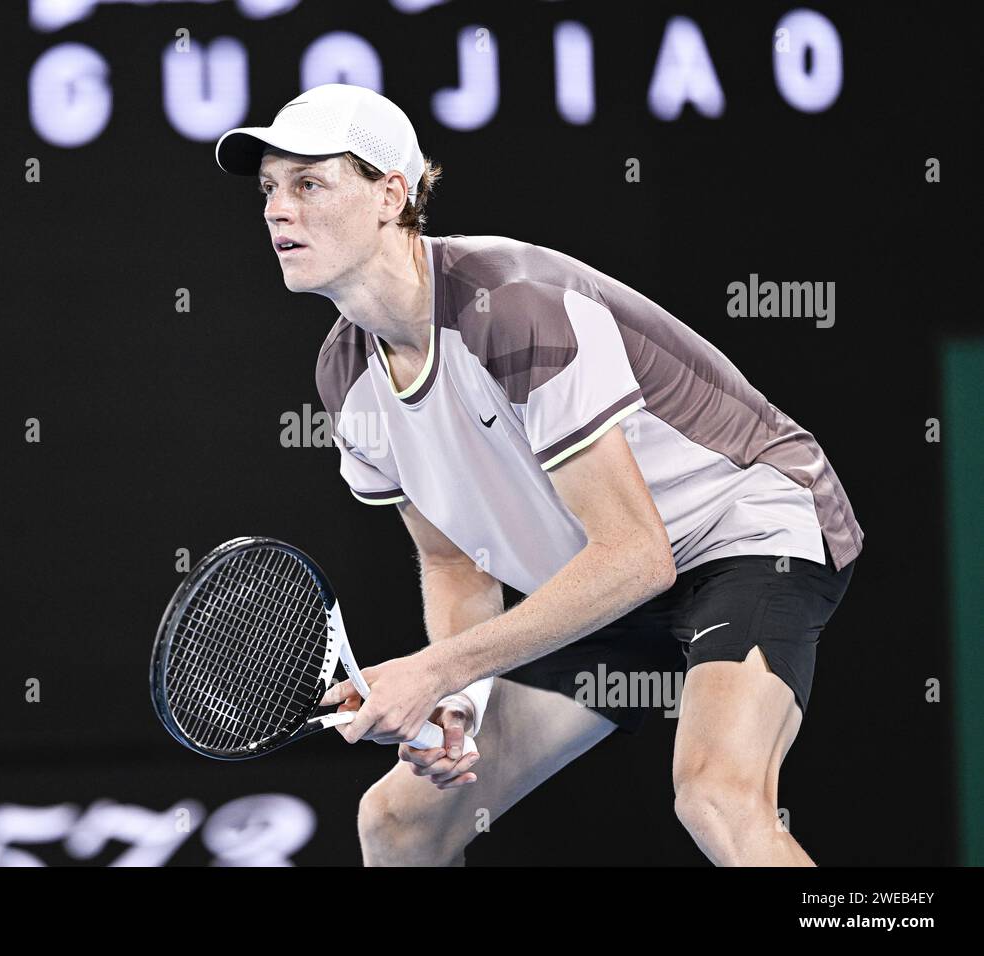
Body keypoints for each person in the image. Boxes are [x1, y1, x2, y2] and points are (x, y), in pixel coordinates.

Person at [215, 84, 862, 866]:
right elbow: (453, 560)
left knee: (717, 795)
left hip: (744, 532)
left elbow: (639, 554)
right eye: (269, 190)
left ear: (392, 194)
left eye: (308, 184)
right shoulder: (345, 379)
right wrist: (455, 699)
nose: (277, 211)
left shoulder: (511, 304)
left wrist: (433, 669)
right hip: (607, 582)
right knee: (397, 821)